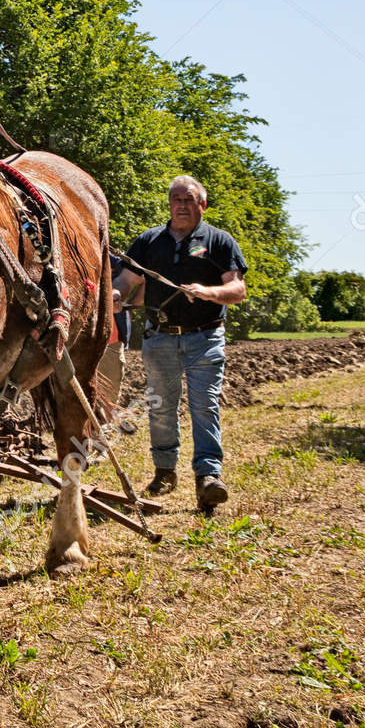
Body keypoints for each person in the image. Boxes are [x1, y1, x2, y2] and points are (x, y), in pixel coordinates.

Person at [112, 175, 247, 513]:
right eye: (176, 199)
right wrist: (116, 295)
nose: (181, 205)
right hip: (160, 338)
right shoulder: (148, 241)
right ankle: (164, 471)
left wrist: (208, 292)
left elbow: (237, 290)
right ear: (169, 204)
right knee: (161, 408)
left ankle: (208, 477)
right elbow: (126, 281)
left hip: (205, 336)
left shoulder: (219, 241)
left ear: (202, 204)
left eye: (189, 200)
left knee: (204, 406)